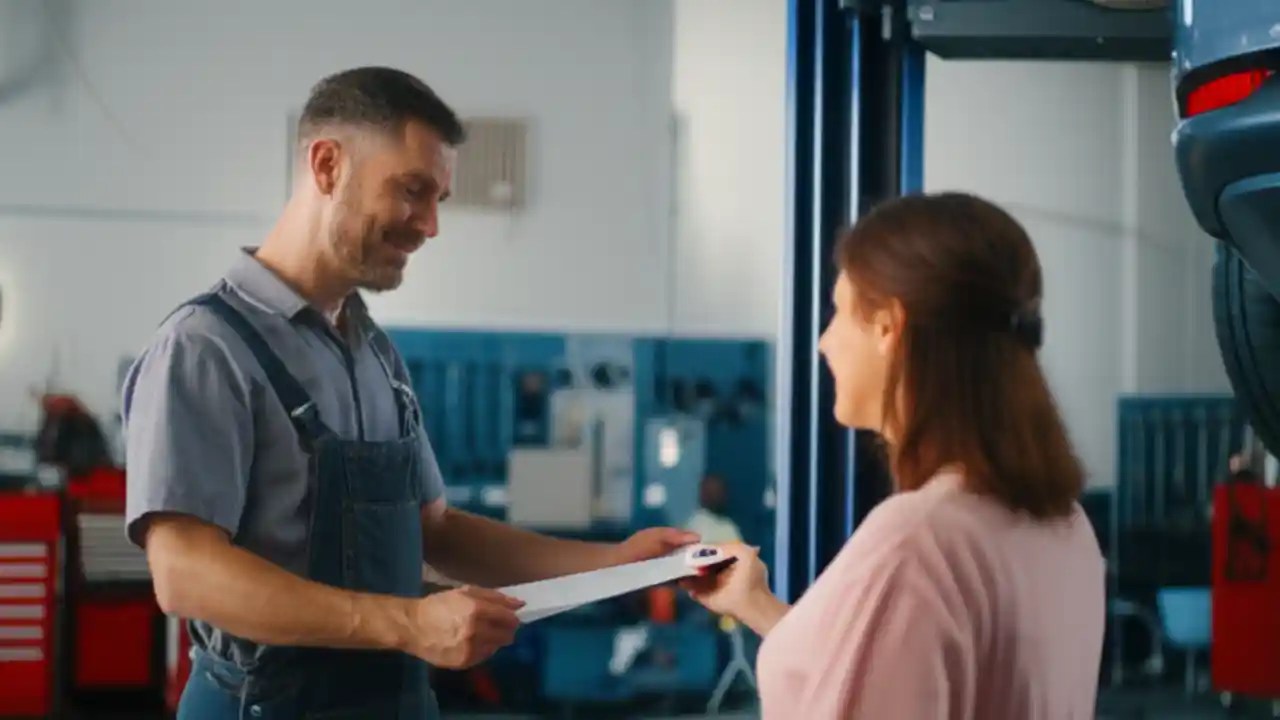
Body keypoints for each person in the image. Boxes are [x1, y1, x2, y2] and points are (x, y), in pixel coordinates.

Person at [121, 66, 696, 719]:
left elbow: (437, 531)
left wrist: (614, 562)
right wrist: (409, 624)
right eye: (412, 191)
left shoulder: (376, 355)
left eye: (438, 201)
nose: (429, 225)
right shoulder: (205, 349)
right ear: (328, 164)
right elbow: (183, 572)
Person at [684, 192, 1106, 718]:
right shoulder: (1064, 528)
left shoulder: (920, 542)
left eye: (839, 311)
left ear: (888, 327)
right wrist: (756, 605)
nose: (824, 342)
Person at [684, 474, 743, 544]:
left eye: (718, 490)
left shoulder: (728, 528)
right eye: (711, 491)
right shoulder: (694, 524)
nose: (715, 495)